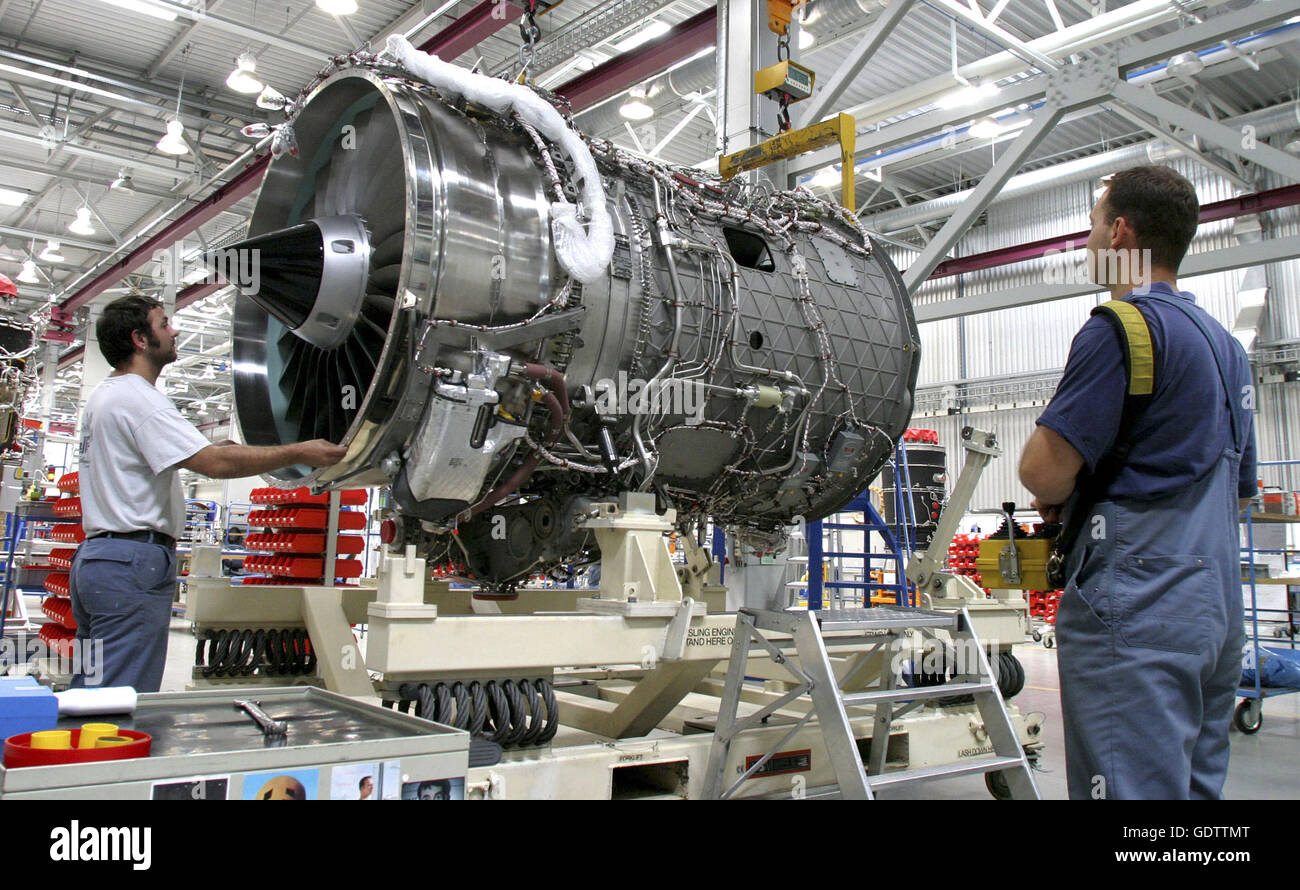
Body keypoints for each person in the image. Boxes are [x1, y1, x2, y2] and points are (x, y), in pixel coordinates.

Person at [1018, 165, 1255, 800]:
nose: (1089, 241)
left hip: (1140, 598)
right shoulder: (1228, 347)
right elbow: (1237, 490)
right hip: (1215, 606)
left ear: (1121, 232)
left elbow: (1042, 472)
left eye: (1093, 225)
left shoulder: (1120, 328)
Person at [72, 294, 347, 693]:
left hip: (98, 559)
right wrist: (301, 451)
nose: (175, 330)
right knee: (118, 696)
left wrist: (239, 451)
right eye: (164, 323)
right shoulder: (139, 399)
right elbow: (214, 464)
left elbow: (207, 454)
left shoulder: (105, 395)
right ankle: (106, 755)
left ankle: (72, 751)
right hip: (131, 561)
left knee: (92, 686)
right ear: (139, 339)